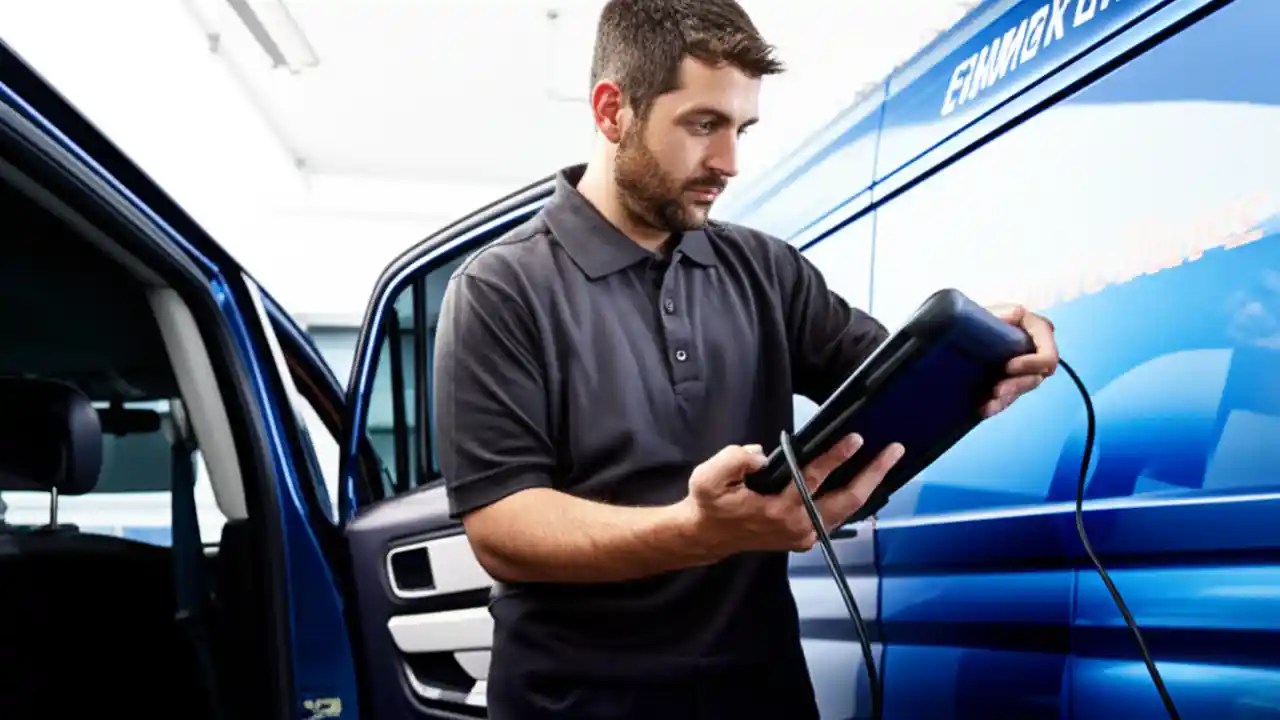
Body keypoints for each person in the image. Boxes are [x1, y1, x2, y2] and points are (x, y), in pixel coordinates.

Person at [432, 1, 1059, 717]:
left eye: (741, 128)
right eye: (704, 124)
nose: (730, 163)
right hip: (576, 704)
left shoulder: (768, 270)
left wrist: (984, 356)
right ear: (612, 111)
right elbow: (505, 530)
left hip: (761, 692)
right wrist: (695, 533)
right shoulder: (499, 290)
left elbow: (892, 381)